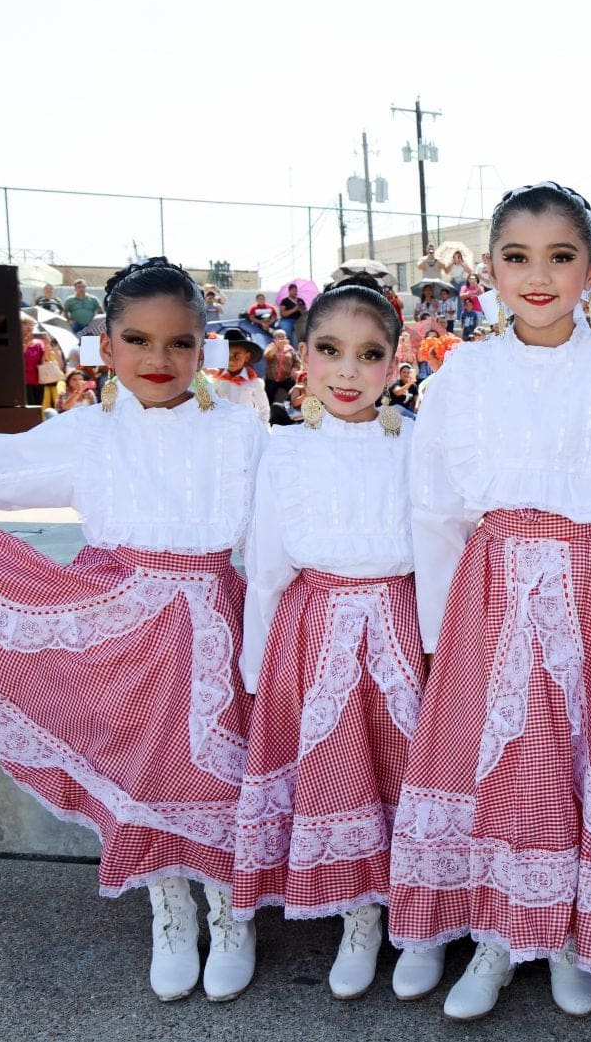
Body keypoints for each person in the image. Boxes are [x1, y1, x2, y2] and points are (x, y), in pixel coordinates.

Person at [0, 257, 265, 1002]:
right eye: (138, 340)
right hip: (115, 628)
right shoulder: (86, 433)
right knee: (139, 765)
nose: (159, 360)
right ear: (106, 347)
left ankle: (229, 907)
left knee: (218, 768)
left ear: (205, 346)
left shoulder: (239, 432)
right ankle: (168, 903)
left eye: (179, 343)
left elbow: (293, 516)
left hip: (212, 626)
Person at [387, 181, 591, 1021]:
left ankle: (568, 927)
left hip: (590, 585)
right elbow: (435, 507)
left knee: (573, 759)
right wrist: (432, 629)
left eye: (560, 257)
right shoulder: (465, 372)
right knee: (498, 760)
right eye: (517, 258)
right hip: (490, 591)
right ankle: (494, 929)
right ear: (488, 269)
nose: (538, 275)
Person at [232, 278, 422, 1001]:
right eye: (331, 351)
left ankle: (419, 913)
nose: (348, 371)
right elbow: (268, 563)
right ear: (302, 356)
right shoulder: (285, 449)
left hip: (401, 625)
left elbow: (439, 552)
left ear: (395, 361)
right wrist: (257, 669)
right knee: (343, 773)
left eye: (369, 354)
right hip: (314, 630)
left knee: (405, 772)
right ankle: (359, 912)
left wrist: (439, 644)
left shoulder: (414, 442)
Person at [209, 327, 272, 424]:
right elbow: (207, 403)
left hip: (245, 427)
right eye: (227, 355)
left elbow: (263, 408)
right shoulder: (217, 380)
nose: (231, 360)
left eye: (237, 356)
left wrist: (261, 428)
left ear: (247, 357)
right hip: (224, 426)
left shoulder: (254, 382)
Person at [262, 328, 301, 405]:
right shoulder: (271, 347)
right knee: (268, 396)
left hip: (286, 378)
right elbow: (267, 356)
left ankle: (291, 410)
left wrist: (295, 368)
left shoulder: (290, 349)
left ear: (286, 338)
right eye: (278, 336)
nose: (280, 338)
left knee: (294, 391)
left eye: (282, 336)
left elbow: (297, 361)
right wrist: (276, 346)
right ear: (274, 339)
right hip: (271, 378)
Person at [21, 318, 45, 405]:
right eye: (25, 324)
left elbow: (45, 360)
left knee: (37, 408)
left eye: (32, 324)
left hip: (38, 381)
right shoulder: (16, 340)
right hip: (23, 381)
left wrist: (48, 344)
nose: (29, 326)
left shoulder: (39, 343)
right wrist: (27, 343)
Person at [458, 273, 484, 339]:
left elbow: (483, 296)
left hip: (477, 311)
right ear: (468, 280)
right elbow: (461, 296)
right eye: (470, 278)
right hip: (466, 312)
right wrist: (472, 293)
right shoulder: (464, 287)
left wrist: (477, 288)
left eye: (474, 279)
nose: (472, 280)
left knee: (478, 330)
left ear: (477, 280)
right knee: (466, 329)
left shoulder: (480, 287)